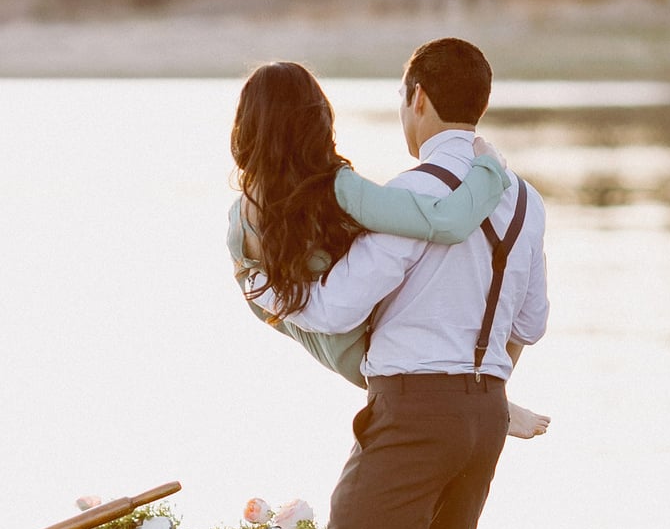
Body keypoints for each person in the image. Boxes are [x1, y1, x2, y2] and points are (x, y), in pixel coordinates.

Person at [241, 41, 550, 529]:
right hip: (486, 415)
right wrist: (484, 387)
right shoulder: (524, 197)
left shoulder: (410, 193)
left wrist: (260, 292)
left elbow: (333, 307)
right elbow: (529, 323)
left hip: (413, 414)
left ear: (417, 97)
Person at [226, 60, 549, 438]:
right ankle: (492, 399)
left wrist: (267, 288)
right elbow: (448, 222)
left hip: (289, 315)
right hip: (351, 342)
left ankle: (486, 397)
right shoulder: (339, 189)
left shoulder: (240, 212)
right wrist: (489, 169)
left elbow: (257, 286)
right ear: (318, 120)